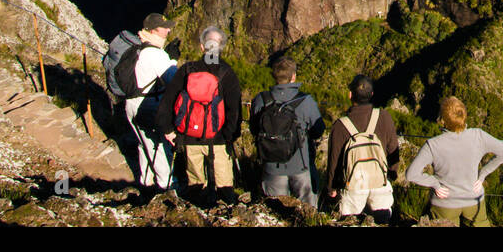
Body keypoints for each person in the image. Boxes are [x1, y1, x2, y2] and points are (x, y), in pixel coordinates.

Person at [156, 25, 242, 203]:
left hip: (189, 137)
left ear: (202, 47)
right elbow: (234, 111)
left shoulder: (187, 71)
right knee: (224, 189)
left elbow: (168, 102)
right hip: (218, 140)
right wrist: (229, 136)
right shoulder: (228, 74)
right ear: (221, 48)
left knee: (195, 188)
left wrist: (169, 130)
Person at [406, 96, 503, 227]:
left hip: (445, 202)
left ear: (443, 120)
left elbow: (411, 175)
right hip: (473, 199)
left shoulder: (433, 145)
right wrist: (482, 174)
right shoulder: (478, 136)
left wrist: (436, 185)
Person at [249, 57, 325, 207]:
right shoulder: (306, 101)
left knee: (274, 211)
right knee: (307, 210)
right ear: (293, 76)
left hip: (271, 165)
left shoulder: (261, 100)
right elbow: (319, 130)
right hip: (300, 165)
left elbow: (254, 129)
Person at [326, 74, 399, 224]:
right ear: (372, 94)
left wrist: (332, 187)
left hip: (353, 185)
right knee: (382, 220)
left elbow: (334, 160)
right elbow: (393, 149)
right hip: (379, 181)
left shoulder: (340, 125)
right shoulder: (384, 117)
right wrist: (392, 173)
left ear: (350, 95)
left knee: (349, 220)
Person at [119, 13, 177, 192]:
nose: (168, 30)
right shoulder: (155, 54)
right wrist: (173, 61)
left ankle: (146, 183)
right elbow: (174, 81)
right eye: (164, 27)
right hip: (146, 105)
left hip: (131, 103)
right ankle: (166, 187)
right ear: (153, 30)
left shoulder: (140, 48)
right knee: (157, 145)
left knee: (143, 144)